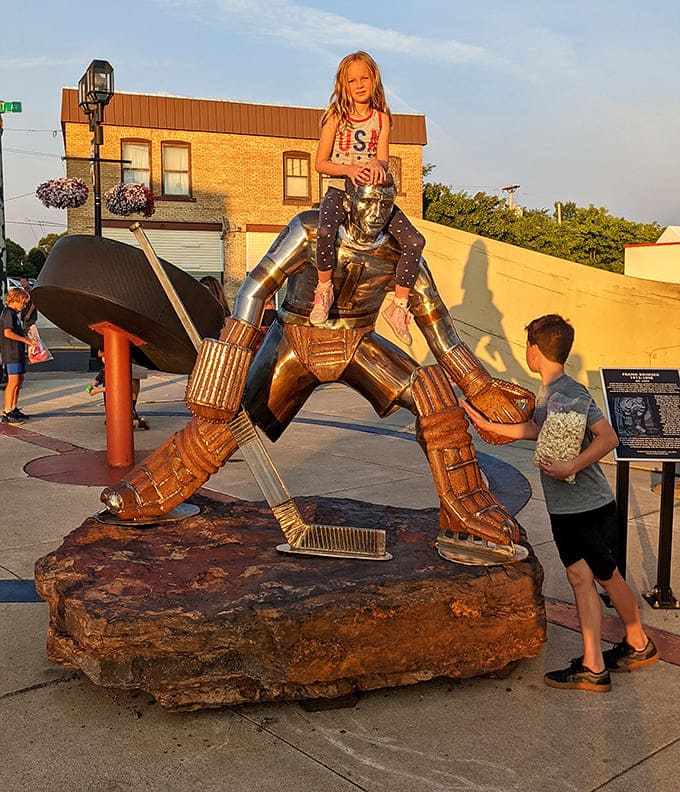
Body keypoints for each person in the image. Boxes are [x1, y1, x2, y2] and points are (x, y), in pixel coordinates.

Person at [101, 181, 534, 567]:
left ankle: (465, 507)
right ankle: (154, 489)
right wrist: (232, 351)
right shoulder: (309, 230)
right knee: (230, 419)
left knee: (432, 392)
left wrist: (478, 386)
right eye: (367, 202)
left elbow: (439, 328)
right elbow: (257, 286)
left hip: (356, 342)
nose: (374, 213)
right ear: (349, 200)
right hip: (296, 338)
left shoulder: (403, 256)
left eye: (384, 204)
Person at [463, 314, 659, 692]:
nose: (526, 352)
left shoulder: (566, 393)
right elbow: (538, 429)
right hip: (575, 507)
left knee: (603, 576)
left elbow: (608, 438)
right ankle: (598, 662)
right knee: (582, 577)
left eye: (527, 346)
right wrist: (490, 426)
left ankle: (634, 644)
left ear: (534, 351)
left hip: (583, 507)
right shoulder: (555, 392)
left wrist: (571, 465)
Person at [311, 51, 425, 346]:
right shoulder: (335, 117)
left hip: (372, 196)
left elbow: (383, 159)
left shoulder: (382, 119)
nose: (359, 85)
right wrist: (349, 169)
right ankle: (324, 289)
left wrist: (377, 164)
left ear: (374, 80)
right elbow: (320, 163)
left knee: (414, 241)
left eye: (364, 78)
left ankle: (398, 305)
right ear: (343, 85)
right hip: (341, 189)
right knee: (324, 232)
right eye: (352, 81)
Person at [86, 352, 150, 430]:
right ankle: (134, 421)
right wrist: (93, 384)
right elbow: (99, 377)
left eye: (105, 357)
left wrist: (98, 390)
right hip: (110, 400)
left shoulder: (118, 369)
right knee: (111, 421)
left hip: (120, 399)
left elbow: (116, 388)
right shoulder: (105, 367)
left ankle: (140, 422)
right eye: (102, 357)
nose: (104, 359)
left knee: (123, 419)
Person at [1, 287, 33, 426]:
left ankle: (14, 408)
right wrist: (25, 340)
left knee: (19, 380)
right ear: (15, 300)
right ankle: (7, 411)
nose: (24, 306)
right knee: (13, 382)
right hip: (11, 352)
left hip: (17, 351)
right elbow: (7, 332)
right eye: (23, 303)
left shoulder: (14, 314)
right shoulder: (8, 313)